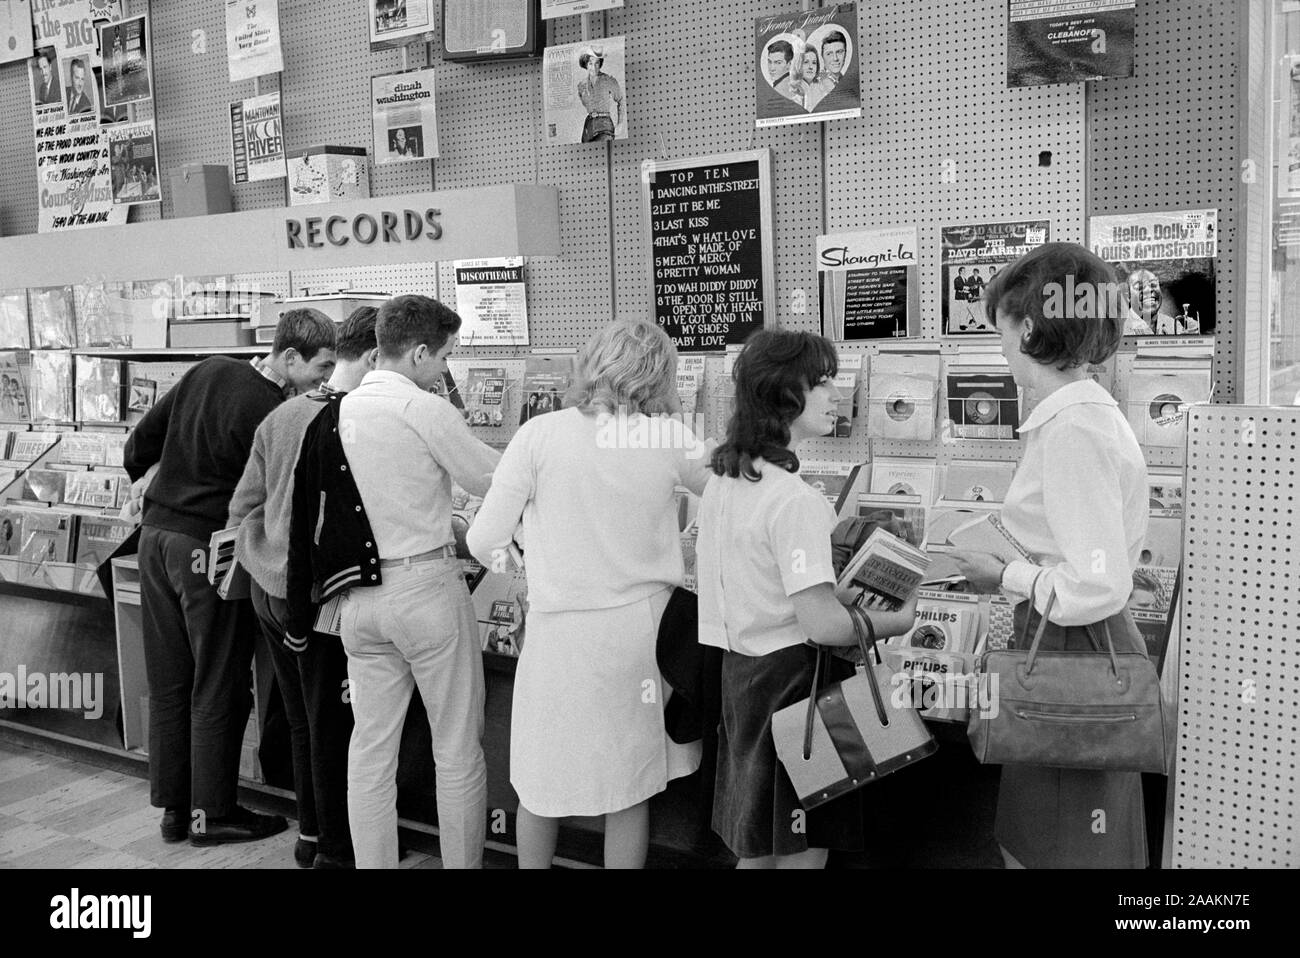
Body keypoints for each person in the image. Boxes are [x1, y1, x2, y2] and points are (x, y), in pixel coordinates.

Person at [467, 320, 714, 869]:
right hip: (641, 635)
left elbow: (484, 538)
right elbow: (734, 492)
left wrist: (529, 571)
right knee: (628, 787)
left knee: (540, 781)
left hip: (558, 633)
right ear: (658, 374)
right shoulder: (667, 439)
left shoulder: (539, 434)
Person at [948, 242, 1151, 869]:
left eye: (1002, 329)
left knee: (1057, 848)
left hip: (1073, 658)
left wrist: (1001, 569)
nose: (1001, 347)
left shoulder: (1074, 430)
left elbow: (1095, 585)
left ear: (1029, 326)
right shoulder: (1080, 419)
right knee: (1051, 840)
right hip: (1068, 654)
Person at [290, 294, 500, 869]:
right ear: (421, 351)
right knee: (455, 748)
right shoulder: (426, 409)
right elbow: (492, 479)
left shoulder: (335, 411)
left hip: (358, 599)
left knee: (371, 750)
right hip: (426, 586)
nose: (445, 369)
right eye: (445, 356)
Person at [696, 329, 919, 868]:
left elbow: (765, 585)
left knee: (759, 843)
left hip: (743, 681)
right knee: (802, 846)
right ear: (782, 393)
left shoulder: (727, 480)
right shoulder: (793, 499)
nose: (834, 393)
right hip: (800, 686)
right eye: (820, 382)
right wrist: (898, 619)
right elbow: (821, 625)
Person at [122, 309, 337, 848]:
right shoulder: (277, 414)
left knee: (169, 681)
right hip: (207, 551)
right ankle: (212, 815)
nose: (325, 381)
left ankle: (176, 813)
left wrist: (150, 483)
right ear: (290, 358)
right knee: (217, 679)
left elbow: (137, 445)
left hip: (154, 540)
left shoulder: (207, 368)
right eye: (321, 367)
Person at [227, 308, 380, 870]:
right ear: (373, 357)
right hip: (316, 599)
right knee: (332, 723)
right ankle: (337, 850)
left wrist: (260, 550)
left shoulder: (282, 415)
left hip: (270, 590)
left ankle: (311, 837)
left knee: (299, 719)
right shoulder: (353, 421)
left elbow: (243, 505)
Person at [578, 47, 624, 143]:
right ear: (586, 65)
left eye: (597, 63)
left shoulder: (609, 80)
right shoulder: (581, 85)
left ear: (600, 64)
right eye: (590, 63)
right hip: (589, 126)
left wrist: (620, 123)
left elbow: (621, 100)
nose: (594, 67)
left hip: (604, 125)